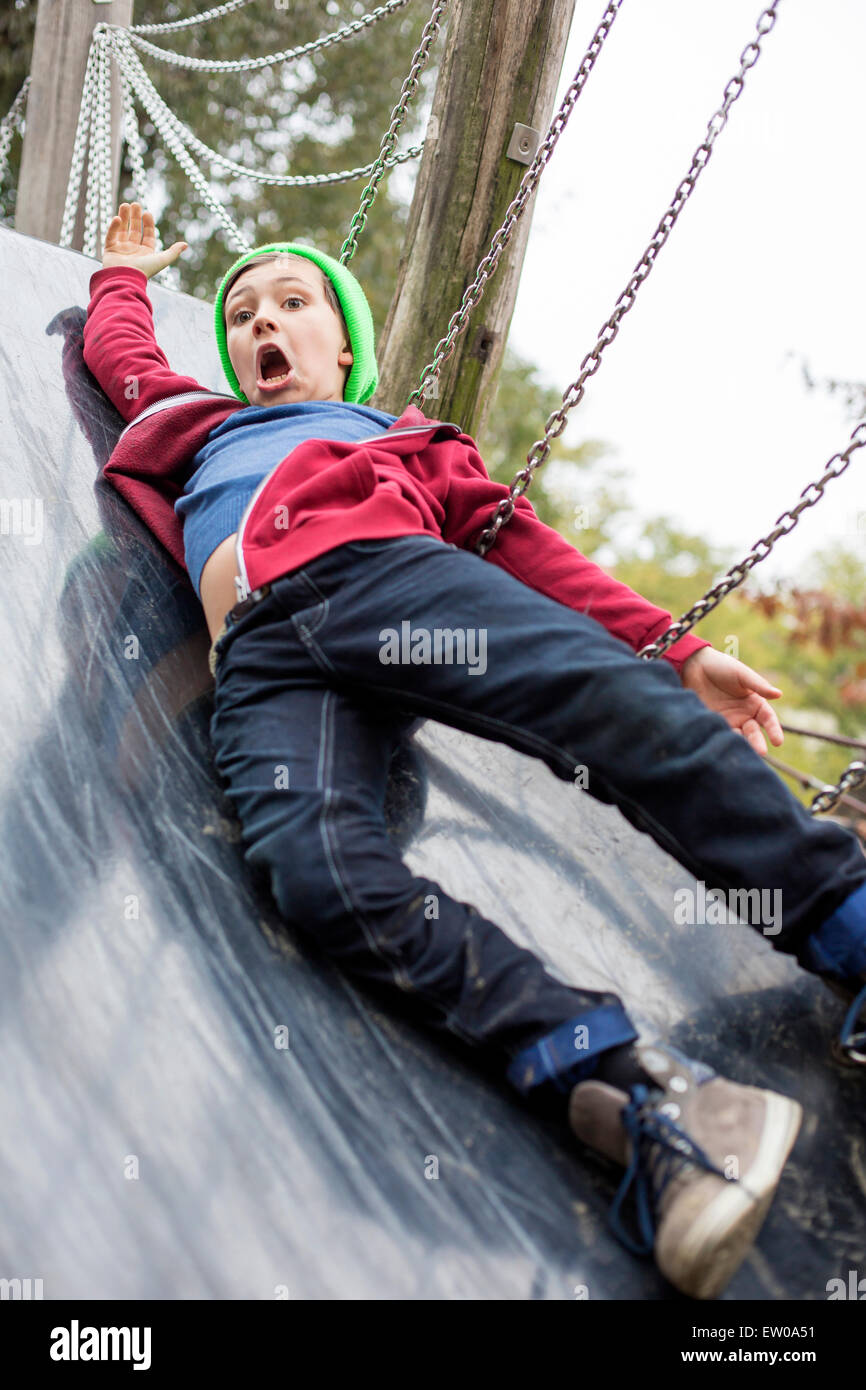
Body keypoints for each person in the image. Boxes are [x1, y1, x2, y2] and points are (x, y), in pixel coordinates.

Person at [83, 202, 866, 1301]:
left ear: (342, 343)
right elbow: (120, 353)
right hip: (263, 657)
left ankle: (846, 921)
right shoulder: (197, 421)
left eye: (291, 304)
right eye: (243, 313)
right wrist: (120, 274)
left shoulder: (398, 442)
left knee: (612, 710)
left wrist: (672, 648)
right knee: (313, 870)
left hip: (391, 582)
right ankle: (648, 1100)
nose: (262, 323)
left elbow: (525, 543)